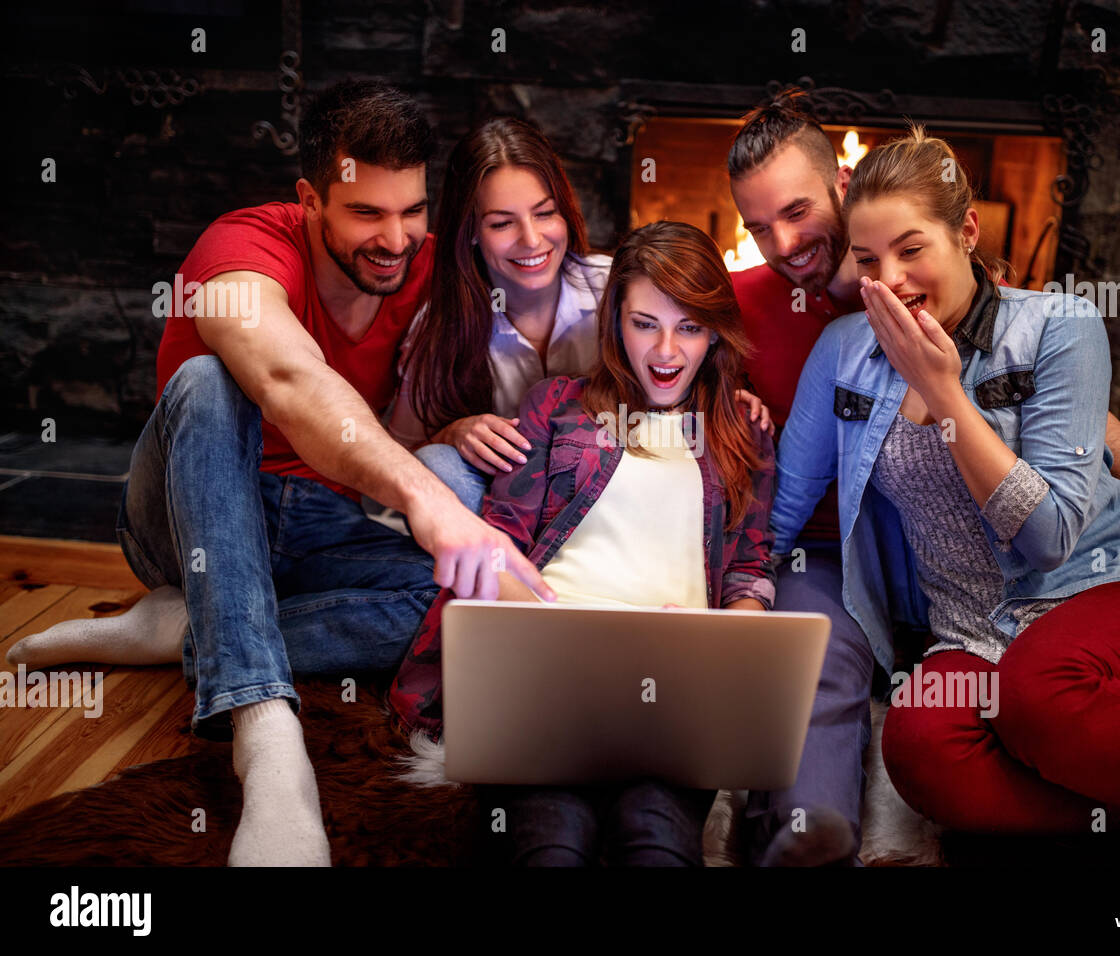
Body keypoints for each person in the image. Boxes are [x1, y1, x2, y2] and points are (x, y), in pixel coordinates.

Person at [726, 89, 1120, 864]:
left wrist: (945, 395)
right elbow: (782, 506)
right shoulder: (843, 344)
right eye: (869, 261)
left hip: (1088, 591)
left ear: (965, 232)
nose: (889, 278)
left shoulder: (1056, 326)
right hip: (963, 625)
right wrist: (710, 593)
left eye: (910, 249)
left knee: (1047, 691)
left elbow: (1052, 534)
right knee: (920, 741)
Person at [6, 80, 551, 866]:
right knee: (209, 379)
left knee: (460, 601)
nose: (395, 239)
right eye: (366, 213)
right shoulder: (241, 249)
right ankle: (267, 743)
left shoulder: (427, 267)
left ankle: (193, 630)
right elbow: (293, 385)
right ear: (310, 199)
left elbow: (561, 283)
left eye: (412, 211)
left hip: (316, 528)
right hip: (192, 518)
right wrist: (426, 498)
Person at [388, 220, 777, 866]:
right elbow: (497, 546)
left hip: (675, 690)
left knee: (655, 839)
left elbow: (748, 569)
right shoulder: (555, 407)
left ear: (715, 332)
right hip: (548, 672)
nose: (667, 350)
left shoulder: (745, 434)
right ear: (614, 321)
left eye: (690, 327)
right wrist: (558, 632)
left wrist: (723, 647)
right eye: (645, 322)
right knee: (552, 841)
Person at [387, 117, 769, 513]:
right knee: (438, 465)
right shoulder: (442, 327)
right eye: (502, 223)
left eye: (544, 213)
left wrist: (724, 395)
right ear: (470, 231)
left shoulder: (617, 290)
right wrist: (451, 433)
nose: (532, 240)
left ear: (565, 212)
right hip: (512, 513)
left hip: (617, 499)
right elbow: (397, 458)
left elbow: (686, 348)